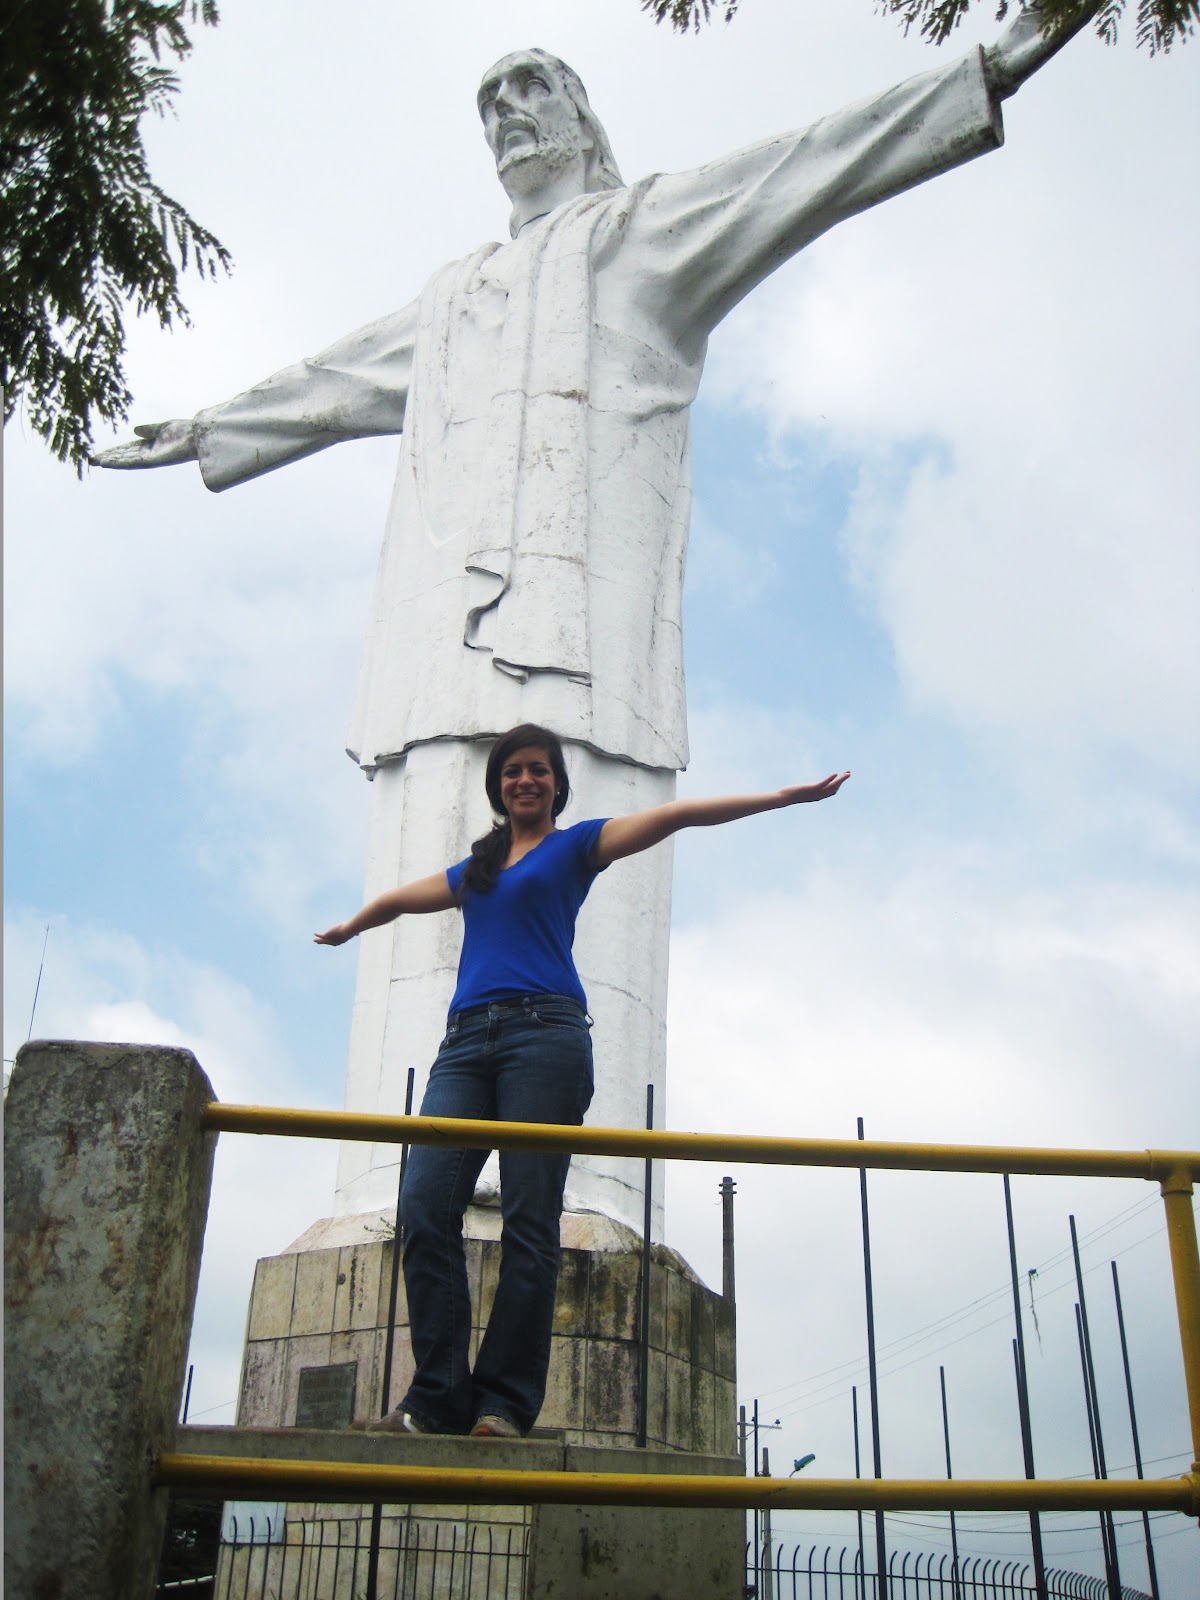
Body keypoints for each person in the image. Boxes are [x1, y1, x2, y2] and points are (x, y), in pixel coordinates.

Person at [95, 8, 1090, 1232]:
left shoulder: (643, 235)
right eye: (489, 102)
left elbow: (813, 166)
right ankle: (393, 1216)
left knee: (583, 949)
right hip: (440, 650)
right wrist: (205, 430)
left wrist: (986, 72)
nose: (507, 112)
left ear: (579, 115)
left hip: (594, 640)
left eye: (530, 87)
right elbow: (330, 379)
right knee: (425, 946)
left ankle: (570, 1233)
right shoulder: (456, 297)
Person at [315, 723, 849, 1437]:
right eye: (512, 773)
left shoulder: (578, 845)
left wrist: (780, 799)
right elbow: (405, 897)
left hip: (546, 1037)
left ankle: (502, 1403)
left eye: (537, 771)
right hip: (465, 1045)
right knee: (423, 1206)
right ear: (498, 788)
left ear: (556, 784)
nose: (524, 781)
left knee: (529, 1223)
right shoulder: (477, 870)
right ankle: (437, 1396)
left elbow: (678, 815)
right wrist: (354, 925)